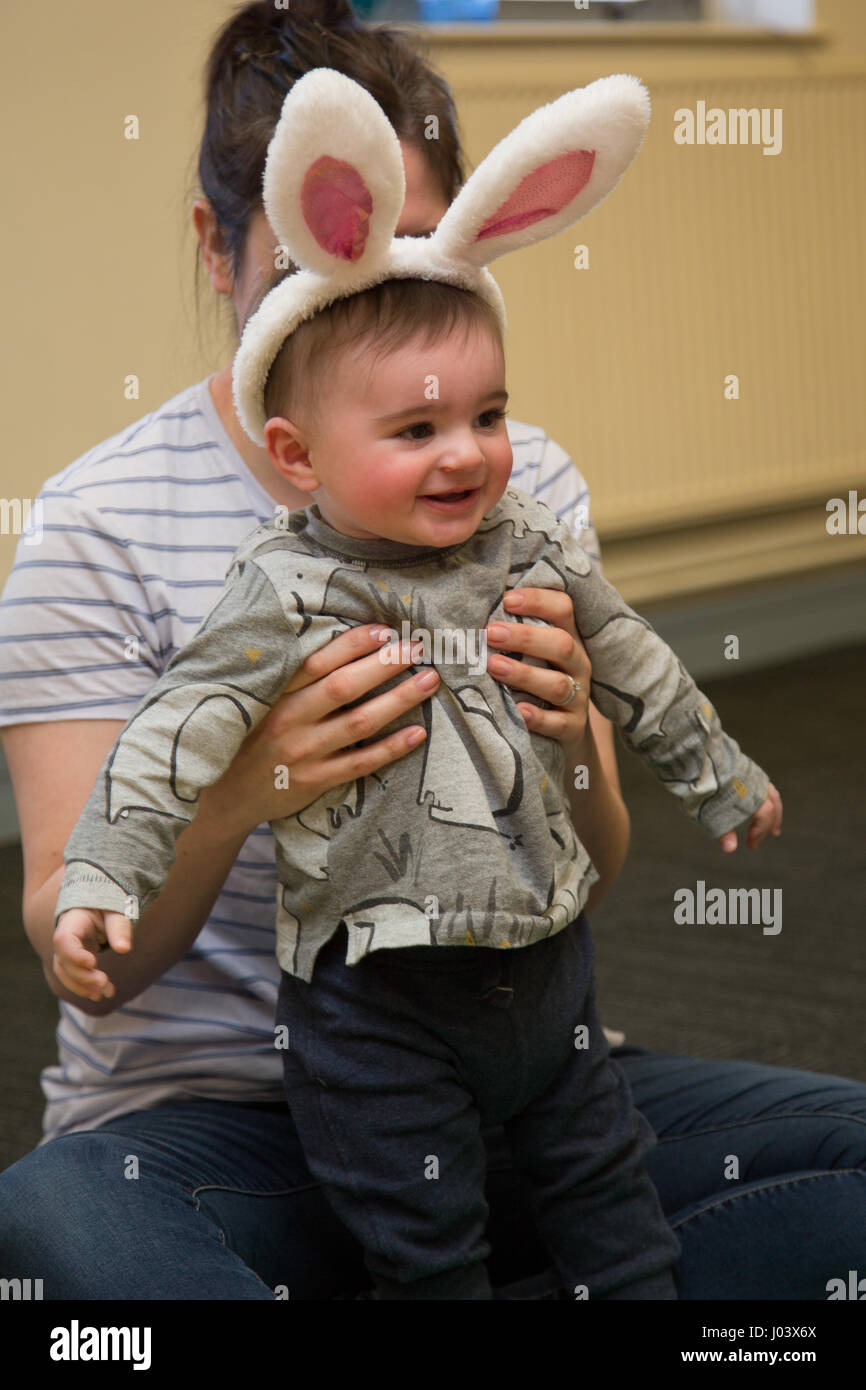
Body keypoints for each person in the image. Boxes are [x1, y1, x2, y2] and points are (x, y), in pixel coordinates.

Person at [0, 0, 863, 1302]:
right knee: (62, 1230)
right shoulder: (100, 523)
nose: (384, 292)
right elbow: (94, 949)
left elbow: (602, 848)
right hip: (230, 1127)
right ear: (214, 246)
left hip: (521, 1075)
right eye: (329, 254)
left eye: (418, 250)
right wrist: (250, 788)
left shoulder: (522, 497)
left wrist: (578, 742)